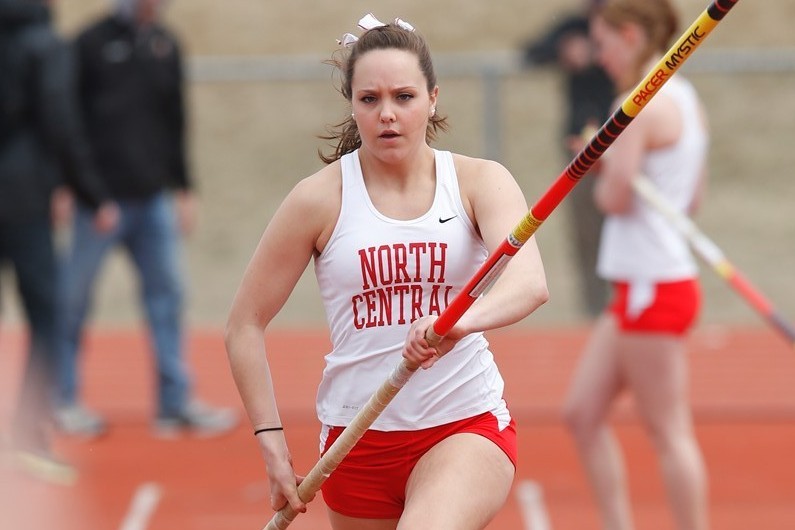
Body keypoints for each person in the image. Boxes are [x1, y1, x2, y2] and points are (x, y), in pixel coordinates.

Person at [224, 14, 549, 530]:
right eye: (369, 99)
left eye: (404, 96)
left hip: (462, 423)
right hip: (356, 440)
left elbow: (530, 283)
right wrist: (271, 444)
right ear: (352, 106)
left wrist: (456, 324)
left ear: (433, 98)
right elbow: (244, 323)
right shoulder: (319, 198)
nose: (387, 114)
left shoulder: (477, 181)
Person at [53, 0, 237, 439]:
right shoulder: (89, 44)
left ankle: (173, 405)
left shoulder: (166, 44)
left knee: (168, 296)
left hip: (153, 201)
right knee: (71, 302)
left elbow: (174, 122)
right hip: (97, 203)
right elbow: (66, 122)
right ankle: (61, 400)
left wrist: (184, 187)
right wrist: (75, 188)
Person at [561, 1, 710, 529]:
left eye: (603, 44)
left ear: (629, 35)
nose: (599, 57)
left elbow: (615, 201)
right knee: (581, 413)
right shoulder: (685, 99)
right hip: (646, 281)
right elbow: (692, 195)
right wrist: (613, 161)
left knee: (669, 432)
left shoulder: (637, 104)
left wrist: (602, 171)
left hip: (654, 283)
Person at [0, 0, 118, 482]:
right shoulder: (44, 43)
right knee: (47, 319)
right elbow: (60, 120)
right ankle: (26, 437)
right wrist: (91, 192)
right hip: (24, 200)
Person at [522, 1, 614, 318]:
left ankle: (624, 306)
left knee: (623, 228)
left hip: (623, 141)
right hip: (580, 148)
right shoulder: (574, 28)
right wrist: (566, 50)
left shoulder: (626, 30)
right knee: (586, 231)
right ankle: (595, 311)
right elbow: (530, 53)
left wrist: (597, 56)